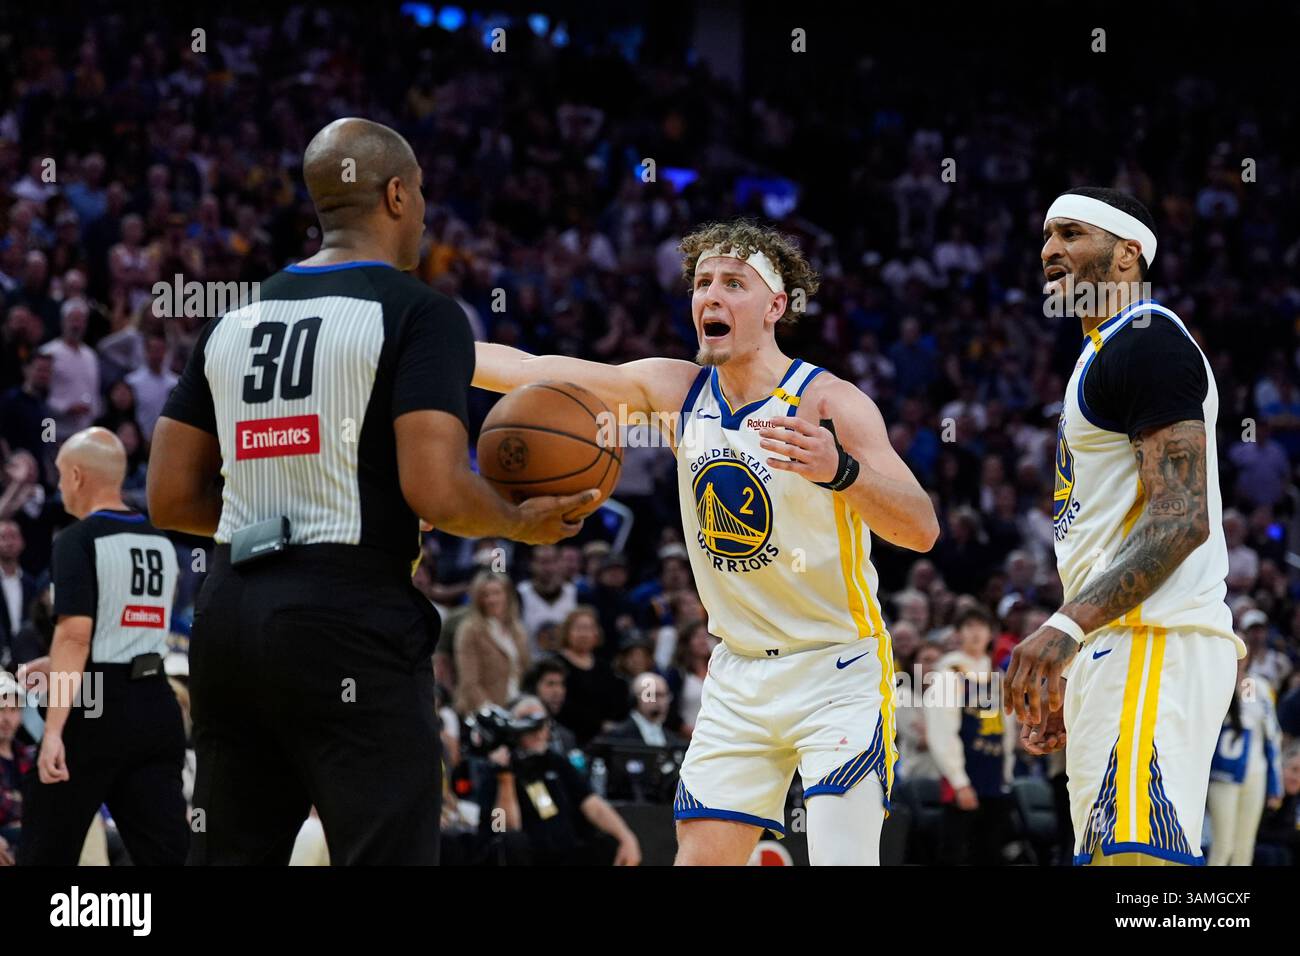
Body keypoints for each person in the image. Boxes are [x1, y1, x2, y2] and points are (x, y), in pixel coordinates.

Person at [147, 117, 596, 865]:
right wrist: (519, 521)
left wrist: (273, 525)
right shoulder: (420, 313)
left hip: (226, 613)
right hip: (348, 613)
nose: (422, 211)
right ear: (395, 195)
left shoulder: (234, 318)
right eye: (419, 194)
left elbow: (168, 497)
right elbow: (438, 489)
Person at [474, 220, 938, 865]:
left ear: (776, 306)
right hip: (737, 671)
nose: (710, 297)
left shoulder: (830, 401)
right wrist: (421, 345)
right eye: (701, 283)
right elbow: (535, 371)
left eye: (733, 284)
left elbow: (921, 528)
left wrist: (842, 472)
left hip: (836, 666)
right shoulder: (676, 391)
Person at [1010, 187, 1244, 866]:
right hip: (1121, 644)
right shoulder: (1103, 349)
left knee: (1139, 872)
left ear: (1126, 255)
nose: (1051, 250)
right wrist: (1077, 648)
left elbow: (1182, 518)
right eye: (1047, 236)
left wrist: (1065, 629)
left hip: (1154, 641)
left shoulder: (1147, 343)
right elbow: (1107, 536)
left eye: (1072, 234)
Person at [16, 427, 188, 865]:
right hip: (156, 701)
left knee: (45, 845)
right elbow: (127, 630)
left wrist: (53, 731)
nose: (59, 485)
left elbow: (76, 634)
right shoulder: (160, 540)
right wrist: (56, 663)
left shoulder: (77, 539)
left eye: (59, 475)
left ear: (76, 476)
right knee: (166, 851)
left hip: (96, 704)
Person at [489, 695, 641, 865]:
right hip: (528, 853)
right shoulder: (500, 766)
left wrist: (626, 836)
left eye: (542, 723)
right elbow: (507, 827)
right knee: (513, 842)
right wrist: (505, 776)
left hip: (563, 852)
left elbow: (592, 804)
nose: (538, 731)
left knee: (608, 842)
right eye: (528, 724)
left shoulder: (555, 761)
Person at [923, 606, 1016, 865]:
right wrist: (958, 781)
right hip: (962, 782)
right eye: (969, 627)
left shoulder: (998, 678)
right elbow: (942, 733)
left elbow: (1006, 731)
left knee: (990, 854)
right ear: (958, 634)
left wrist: (1006, 773)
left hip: (995, 778)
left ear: (991, 634)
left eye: (981, 627)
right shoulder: (948, 675)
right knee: (955, 854)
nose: (976, 633)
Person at [1207, 650, 1283, 865]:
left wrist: (1275, 784)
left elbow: (1269, 733)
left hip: (1255, 772)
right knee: (1223, 846)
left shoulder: (1253, 684)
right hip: (1223, 774)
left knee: (1244, 847)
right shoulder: (1213, 680)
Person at [452, 571, 530, 714]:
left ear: (507, 595)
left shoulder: (517, 630)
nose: (491, 599)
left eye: (496, 593)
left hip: (515, 707)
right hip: (481, 712)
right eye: (485, 595)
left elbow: (524, 671)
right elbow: (469, 682)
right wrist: (491, 712)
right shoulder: (470, 630)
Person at [553, 606, 628, 746]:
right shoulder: (556, 664)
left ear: (596, 634)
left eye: (589, 629)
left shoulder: (604, 667)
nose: (584, 634)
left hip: (604, 737)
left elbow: (615, 700)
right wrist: (597, 724)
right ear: (567, 632)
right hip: (569, 734)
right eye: (579, 628)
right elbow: (563, 706)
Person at [0, 672, 35, 864]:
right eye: (1, 709)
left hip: (31, 832)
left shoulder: (28, 755)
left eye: (13, 710)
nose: (6, 718)